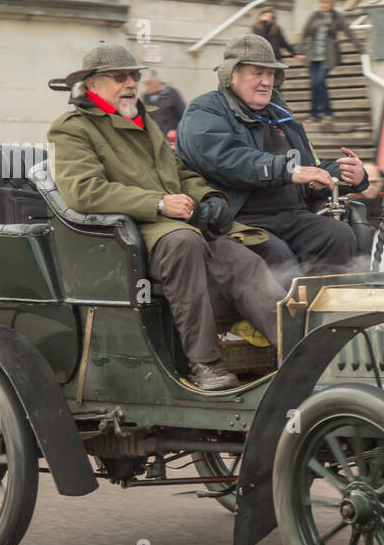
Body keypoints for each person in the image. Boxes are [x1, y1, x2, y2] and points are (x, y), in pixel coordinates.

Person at [48, 43, 285, 392]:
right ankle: (205, 363)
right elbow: (84, 192)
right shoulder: (72, 128)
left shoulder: (142, 120)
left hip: (175, 227)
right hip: (124, 238)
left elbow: (179, 172)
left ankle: (298, 348)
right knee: (184, 243)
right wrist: (158, 203)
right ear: (92, 85)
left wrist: (209, 197)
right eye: (119, 77)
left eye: (134, 76)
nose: (130, 83)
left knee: (243, 258)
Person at [176, 33, 369, 283]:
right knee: (278, 255)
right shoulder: (205, 111)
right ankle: (286, 317)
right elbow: (228, 159)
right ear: (230, 75)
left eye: (270, 74)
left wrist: (345, 174)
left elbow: (310, 167)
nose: (266, 82)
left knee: (338, 234)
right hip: (238, 218)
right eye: (257, 73)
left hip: (290, 214)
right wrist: (287, 170)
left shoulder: (281, 116)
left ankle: (324, 312)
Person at [297, 0, 359, 126]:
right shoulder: (315, 16)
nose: (324, 5)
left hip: (328, 56)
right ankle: (316, 114)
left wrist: (361, 48)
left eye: (327, 3)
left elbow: (349, 32)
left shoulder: (337, 17)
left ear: (331, 4)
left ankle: (327, 113)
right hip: (313, 56)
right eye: (322, 3)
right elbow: (305, 33)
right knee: (315, 85)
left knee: (319, 81)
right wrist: (300, 50)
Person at [139, 70, 186, 137]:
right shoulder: (146, 96)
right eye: (145, 84)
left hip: (170, 138)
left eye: (149, 83)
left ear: (157, 81)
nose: (147, 87)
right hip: (154, 138)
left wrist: (178, 132)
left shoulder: (172, 93)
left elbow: (184, 115)